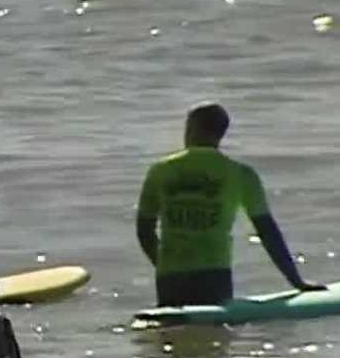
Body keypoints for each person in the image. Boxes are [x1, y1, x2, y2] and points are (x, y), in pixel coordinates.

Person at [136, 103, 326, 306]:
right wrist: (296, 281)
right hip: (214, 274)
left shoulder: (160, 170)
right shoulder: (240, 174)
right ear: (221, 133)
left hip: (170, 278)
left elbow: (144, 229)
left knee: (171, 332)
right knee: (215, 331)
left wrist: (164, 264)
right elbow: (267, 231)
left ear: (190, 128)